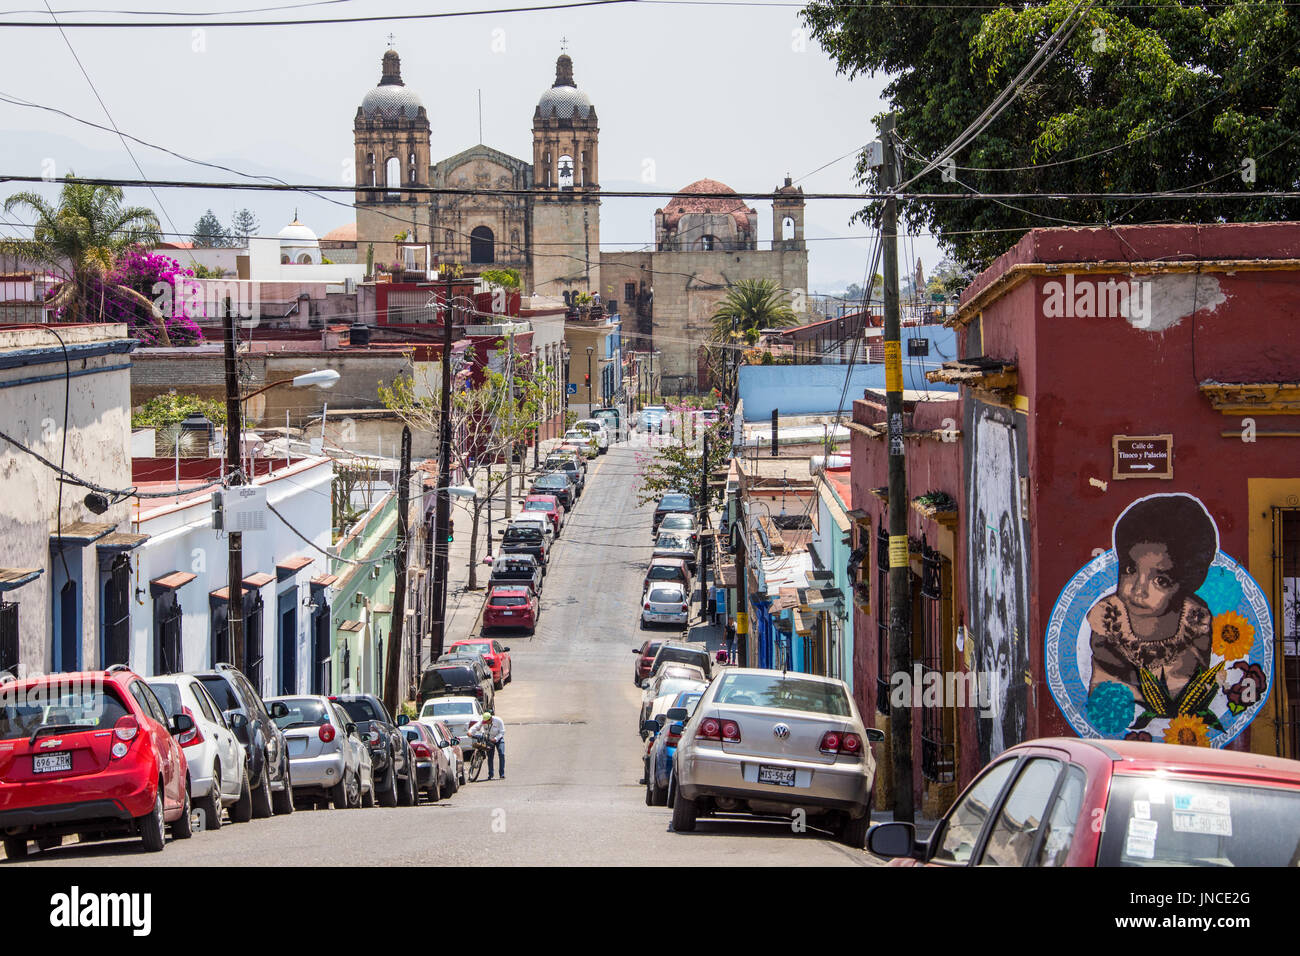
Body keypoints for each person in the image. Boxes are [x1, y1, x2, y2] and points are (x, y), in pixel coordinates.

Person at [1086, 494, 1217, 703]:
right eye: (1130, 570)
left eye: (1161, 581)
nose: (1139, 589)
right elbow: (1108, 678)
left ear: (1184, 583)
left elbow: (1194, 678)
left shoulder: (1194, 618)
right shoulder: (1108, 617)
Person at [468, 710, 506, 780]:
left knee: (501, 754)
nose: (485, 723)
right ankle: (490, 775)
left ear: (491, 719)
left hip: (498, 738)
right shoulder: (483, 721)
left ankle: (502, 774)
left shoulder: (498, 720)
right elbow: (476, 727)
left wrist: (495, 739)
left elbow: (502, 732)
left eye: (487, 722)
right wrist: (470, 732)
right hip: (489, 739)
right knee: (490, 757)